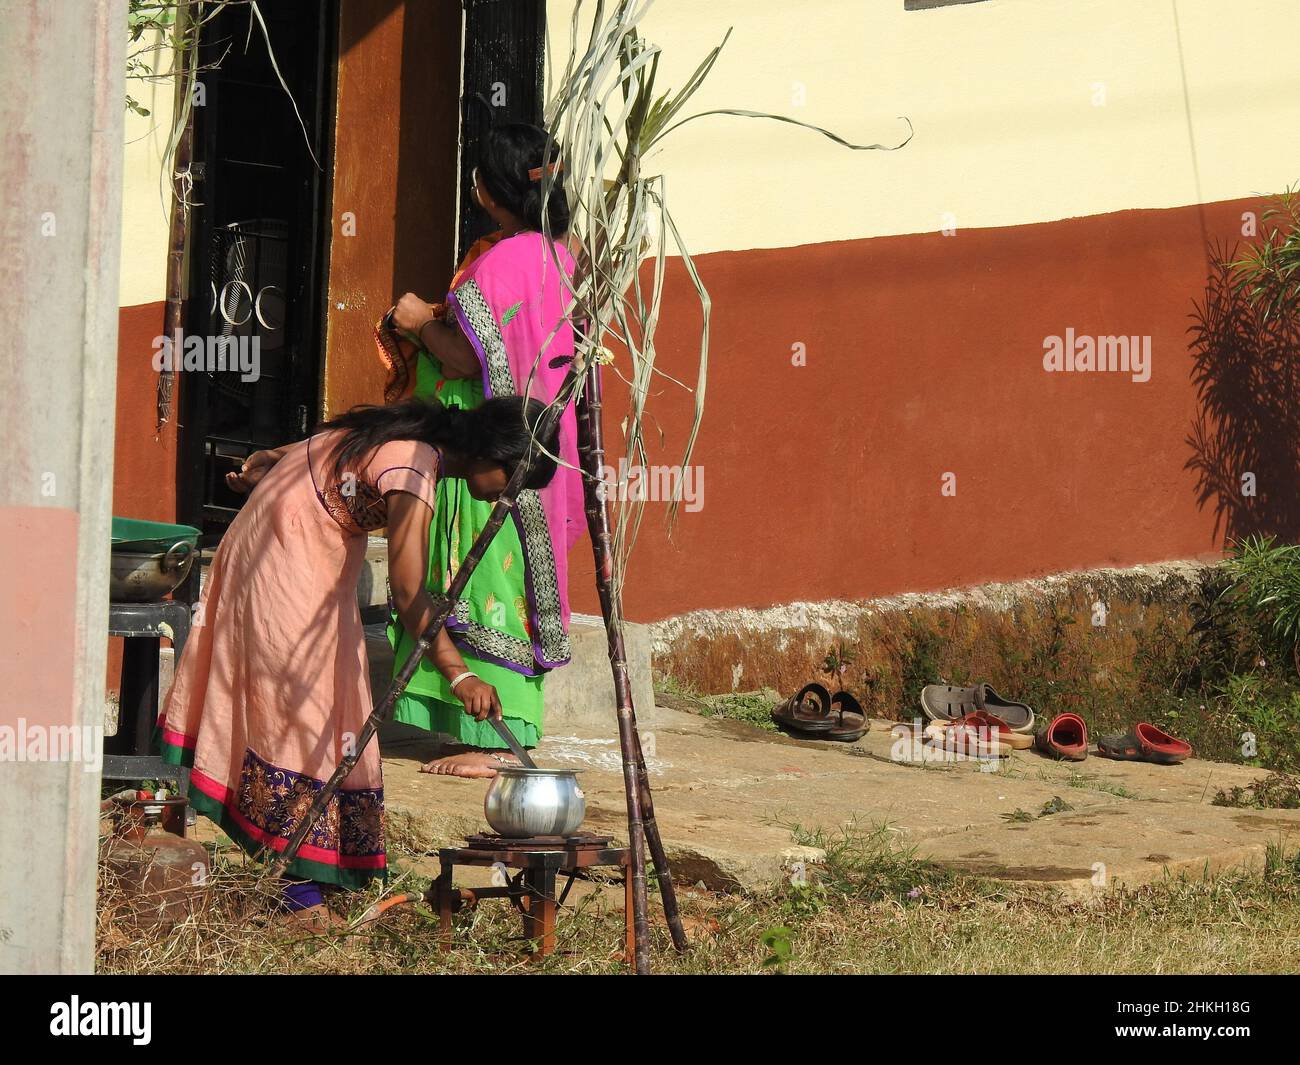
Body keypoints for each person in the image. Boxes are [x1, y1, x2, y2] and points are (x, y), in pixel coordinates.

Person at [158, 396, 558, 927]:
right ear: (491, 457)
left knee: (339, 699)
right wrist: (458, 673)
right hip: (288, 551)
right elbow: (411, 591)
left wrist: (264, 464)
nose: (510, 497)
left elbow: (317, 452)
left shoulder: (415, 437)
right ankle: (295, 890)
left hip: (301, 542)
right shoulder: (415, 466)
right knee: (302, 707)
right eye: (514, 482)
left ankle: (329, 867)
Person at [375, 122, 585, 777]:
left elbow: (467, 357)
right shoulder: (567, 254)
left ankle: (493, 737)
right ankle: (475, 724)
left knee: (487, 577)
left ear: (489, 191)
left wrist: (417, 323)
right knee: (507, 578)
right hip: (543, 443)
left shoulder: (498, 262)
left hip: (489, 448)